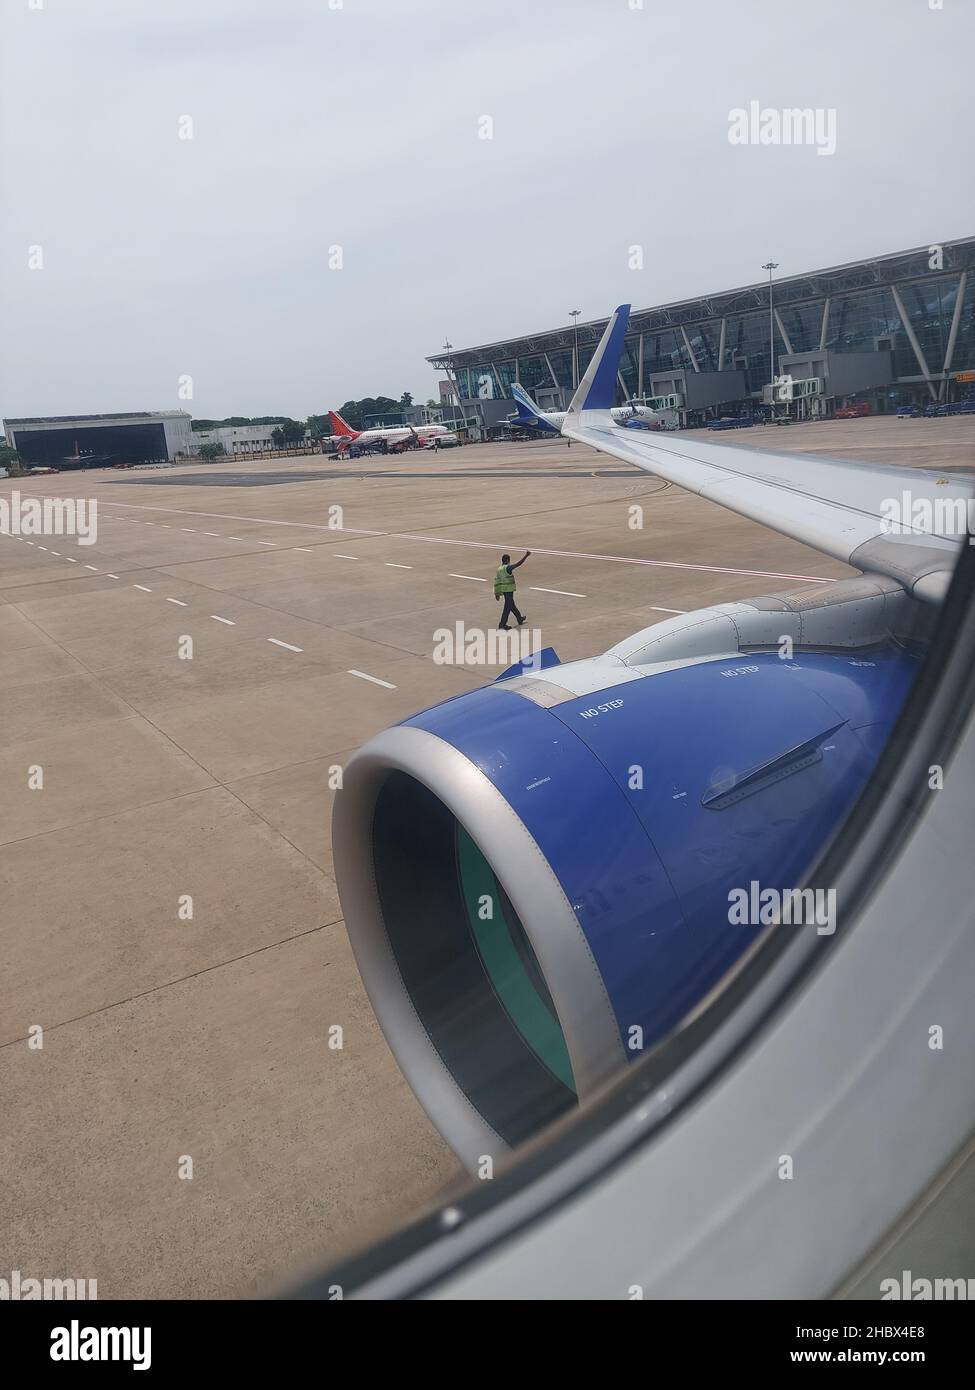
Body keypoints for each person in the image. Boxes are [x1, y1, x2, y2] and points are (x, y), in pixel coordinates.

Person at [494, 550, 530, 629]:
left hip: (504, 590)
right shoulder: (507, 568)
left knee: (511, 605)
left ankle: (519, 618)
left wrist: (496, 593)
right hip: (509, 590)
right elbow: (518, 564)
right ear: (507, 560)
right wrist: (526, 556)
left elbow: (497, 581)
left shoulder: (499, 569)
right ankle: (502, 624)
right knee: (507, 608)